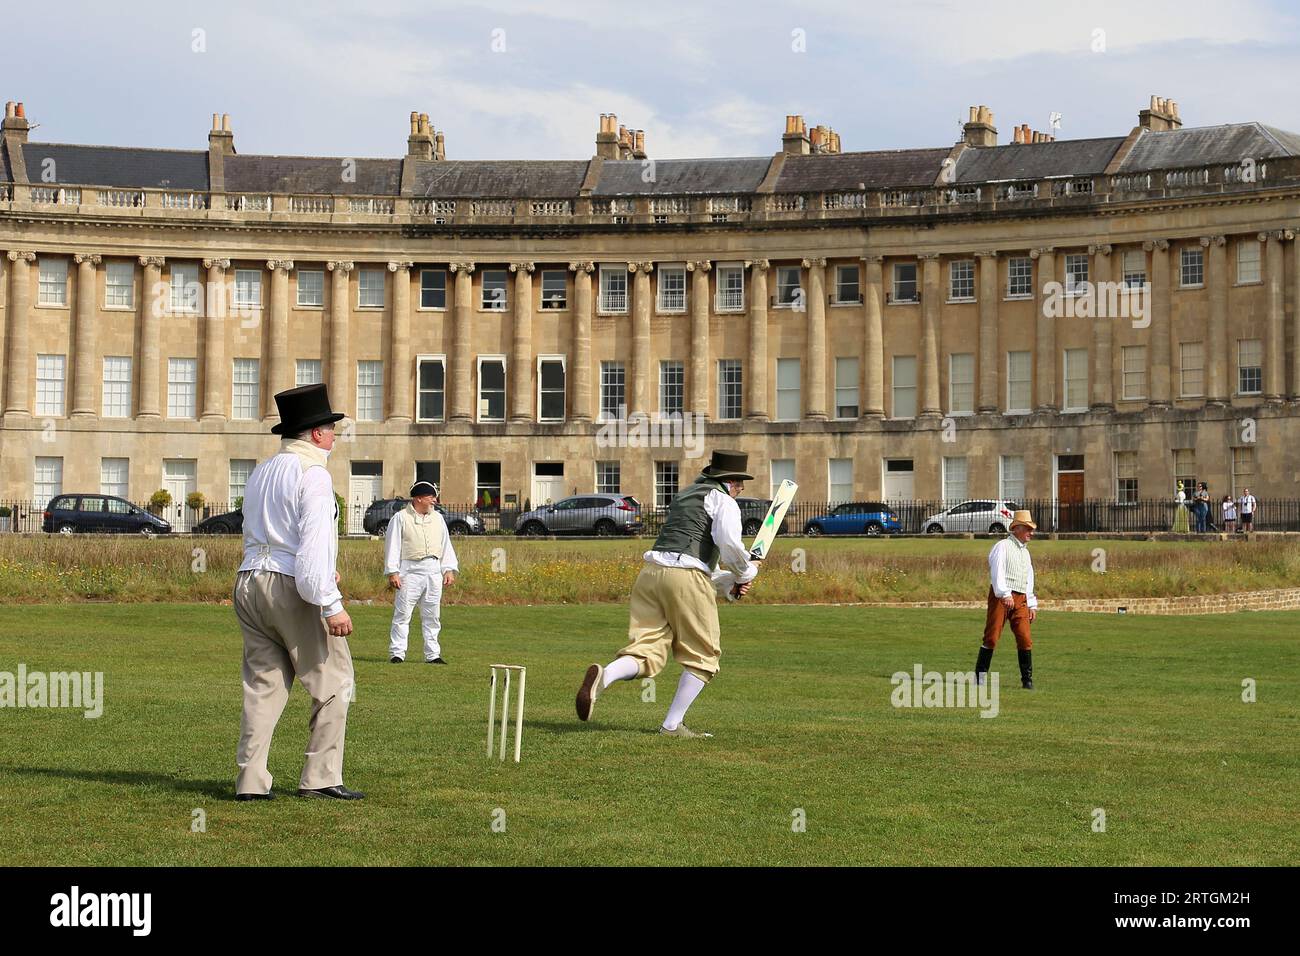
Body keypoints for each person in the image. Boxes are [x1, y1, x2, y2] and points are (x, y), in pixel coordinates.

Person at [233, 384, 362, 801]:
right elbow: (310, 551)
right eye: (332, 427)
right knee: (335, 681)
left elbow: (265, 534)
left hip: (250, 579)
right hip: (292, 588)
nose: (336, 435)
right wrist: (331, 604)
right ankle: (321, 778)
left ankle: (250, 782)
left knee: (263, 686)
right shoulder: (315, 475)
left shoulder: (262, 472)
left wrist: (321, 573)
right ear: (316, 434)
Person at [574, 450, 760, 737]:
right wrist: (746, 573)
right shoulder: (723, 501)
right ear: (730, 481)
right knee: (704, 655)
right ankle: (672, 725)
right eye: (739, 482)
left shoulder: (686, 496)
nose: (741, 488)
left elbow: (689, 559)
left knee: (645, 651)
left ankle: (604, 677)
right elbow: (728, 546)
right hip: (684, 578)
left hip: (650, 575)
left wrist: (729, 585)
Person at [385, 480, 458, 664]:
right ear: (418, 498)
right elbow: (392, 546)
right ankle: (397, 653)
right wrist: (393, 572)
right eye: (430, 497)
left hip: (433, 571)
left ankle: (433, 654)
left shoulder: (438, 518)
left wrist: (448, 569)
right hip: (409, 571)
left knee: (432, 615)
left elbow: (445, 545)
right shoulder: (400, 518)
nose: (434, 500)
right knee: (403, 614)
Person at [975, 510, 1038, 690]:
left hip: (1021, 599)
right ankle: (980, 676)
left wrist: (1031, 604)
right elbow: (997, 572)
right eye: (1028, 529)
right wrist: (1004, 594)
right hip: (1002, 598)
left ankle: (1027, 681)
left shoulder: (1026, 553)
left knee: (1025, 638)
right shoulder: (1002, 546)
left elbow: (1029, 579)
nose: (1031, 533)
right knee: (992, 637)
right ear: (1017, 528)